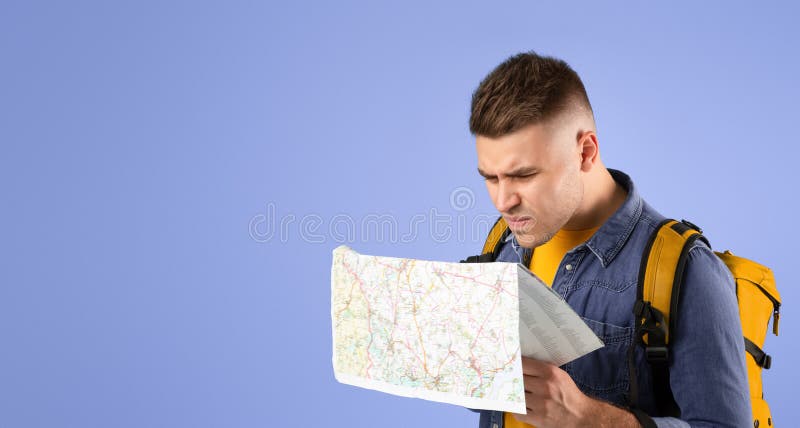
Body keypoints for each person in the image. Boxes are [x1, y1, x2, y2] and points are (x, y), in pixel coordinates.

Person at [468, 52, 751, 427]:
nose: (503, 201)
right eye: (491, 178)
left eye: (524, 175)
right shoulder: (502, 245)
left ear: (585, 151)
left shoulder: (688, 270)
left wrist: (589, 418)